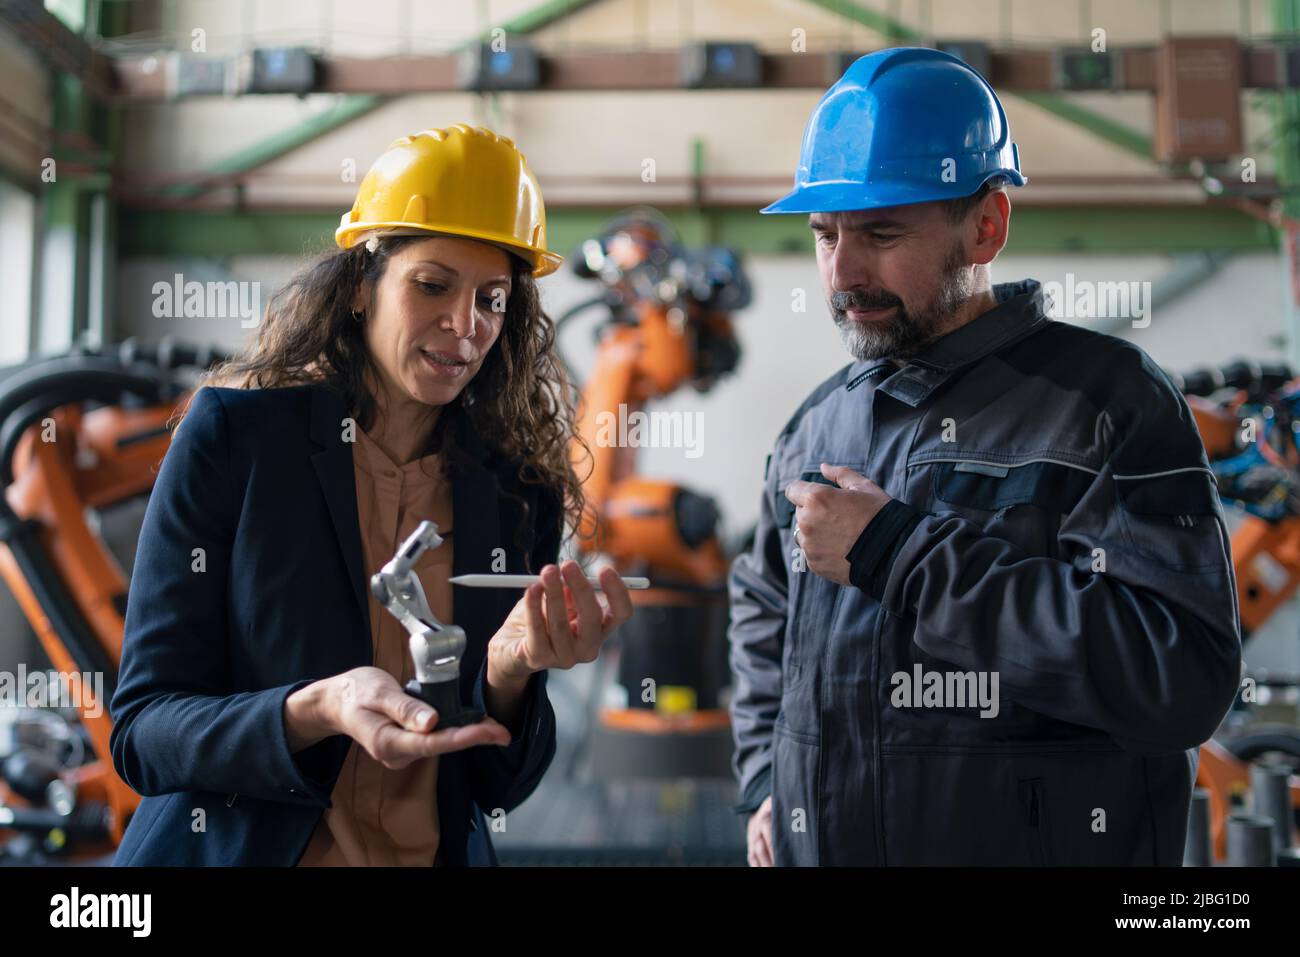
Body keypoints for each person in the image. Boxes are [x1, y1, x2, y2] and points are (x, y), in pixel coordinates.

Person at [728, 48, 1242, 866]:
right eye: (825, 234)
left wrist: (901, 554)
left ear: (988, 226)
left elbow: (1181, 680)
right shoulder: (817, 426)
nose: (843, 271)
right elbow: (760, 608)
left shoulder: (1106, 404)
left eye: (882, 232)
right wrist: (765, 782)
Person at [109, 124, 633, 866]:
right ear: (361, 285)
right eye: (432, 284)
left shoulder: (519, 492)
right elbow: (143, 731)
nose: (465, 325)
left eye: (492, 298)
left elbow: (495, 787)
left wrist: (511, 675)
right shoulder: (238, 441)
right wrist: (316, 709)